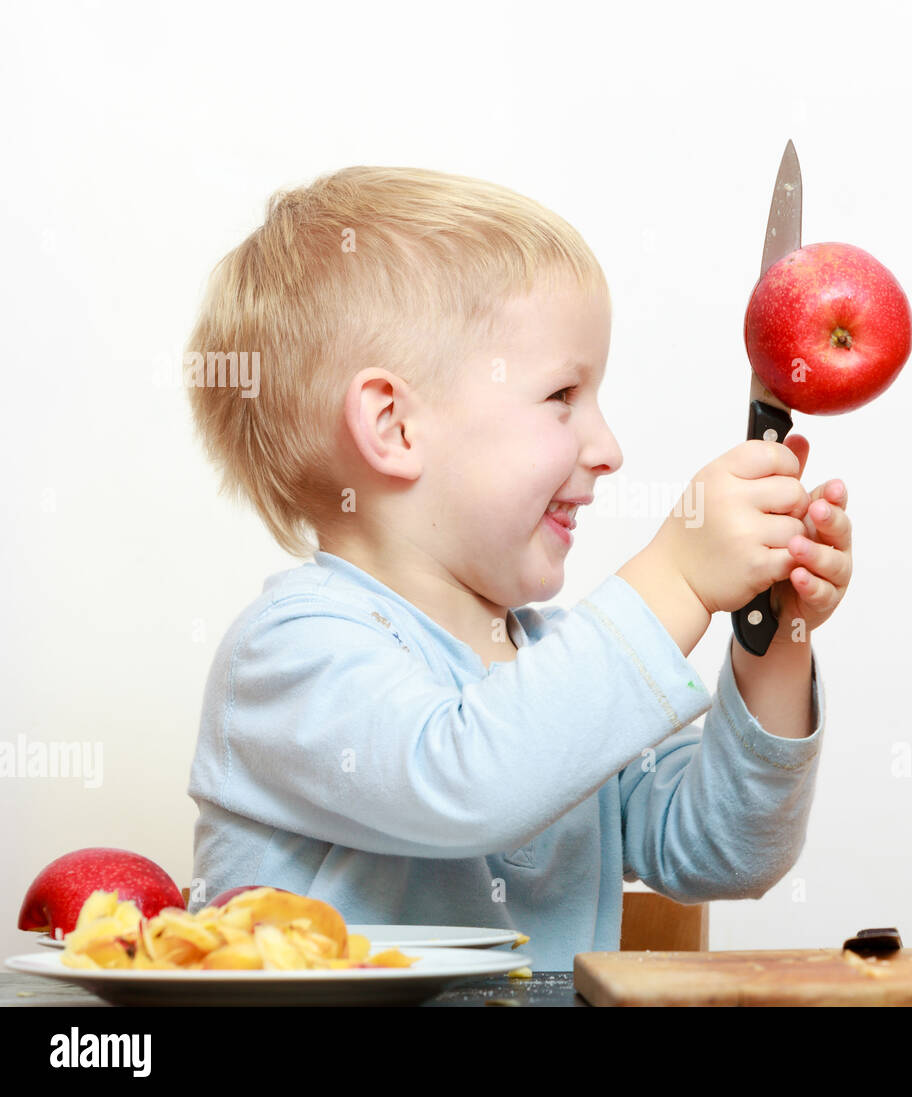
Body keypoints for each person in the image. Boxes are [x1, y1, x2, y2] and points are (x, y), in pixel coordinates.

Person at [183, 166, 853, 971]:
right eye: (563, 394)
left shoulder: (560, 672)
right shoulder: (287, 653)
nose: (608, 450)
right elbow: (471, 778)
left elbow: (723, 850)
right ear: (394, 425)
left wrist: (773, 633)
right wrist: (674, 581)